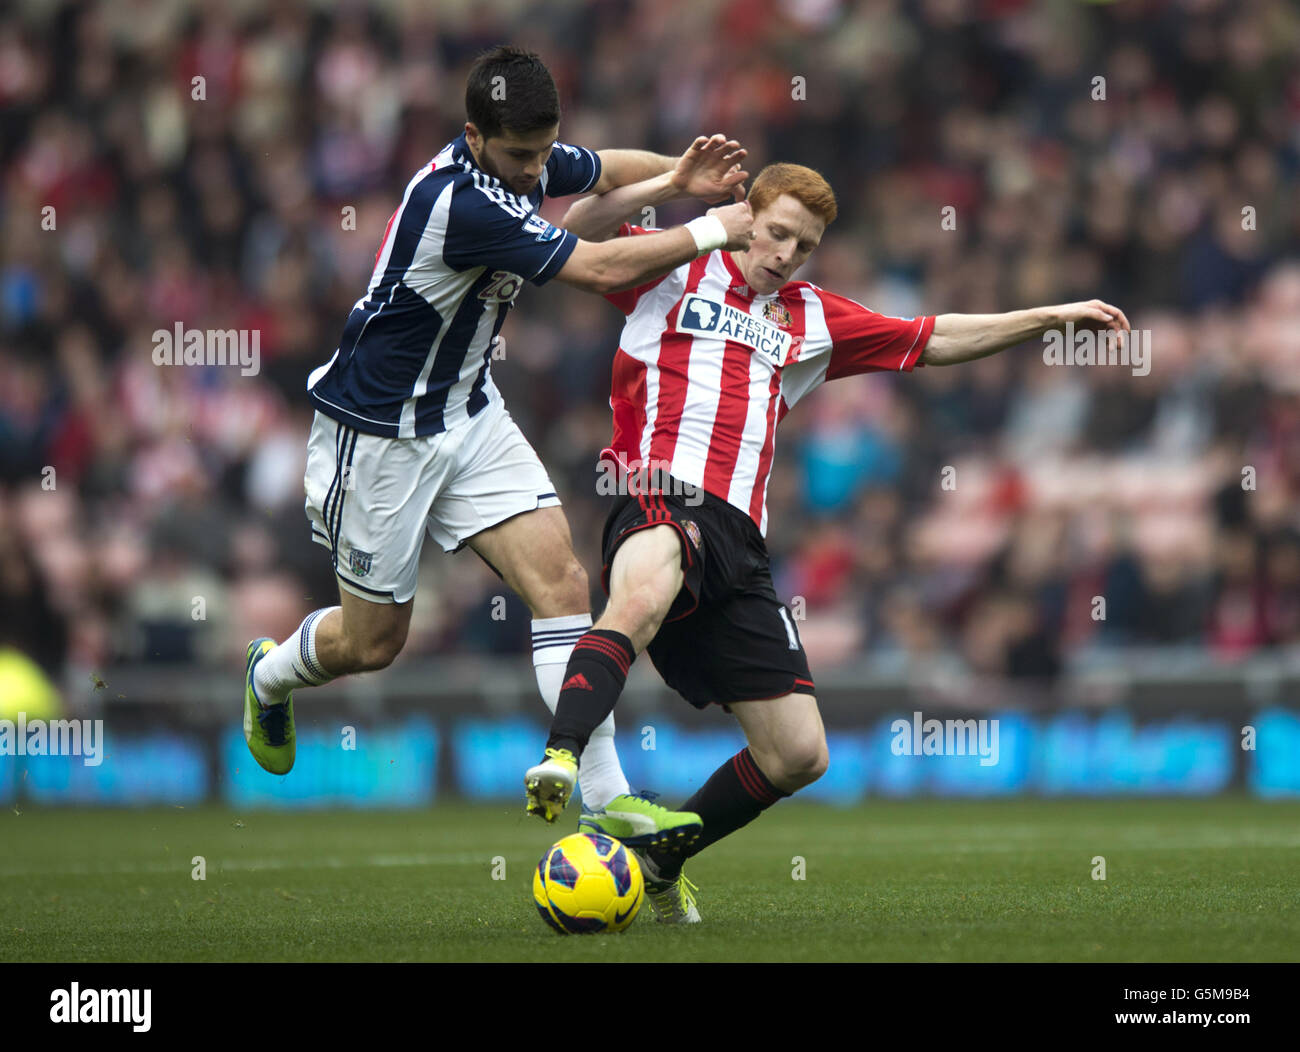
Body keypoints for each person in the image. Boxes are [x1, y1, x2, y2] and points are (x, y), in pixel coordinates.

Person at [525, 161, 1130, 920]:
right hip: (656, 490)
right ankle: (562, 759)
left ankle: (658, 858)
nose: (784, 253)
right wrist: (673, 186)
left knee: (799, 754)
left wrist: (1045, 318)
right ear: (748, 213)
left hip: (740, 540)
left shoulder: (813, 316)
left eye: (802, 245)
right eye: (776, 231)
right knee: (642, 589)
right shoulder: (674, 264)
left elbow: (932, 339)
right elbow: (562, 242)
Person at [241, 44, 756, 853]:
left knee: (562, 585)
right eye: (520, 156)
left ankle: (608, 801)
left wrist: (677, 172)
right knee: (374, 643)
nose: (535, 170)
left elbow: (597, 170)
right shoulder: (460, 201)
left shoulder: (522, 160)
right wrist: (708, 227)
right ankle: (269, 674)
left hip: (469, 413)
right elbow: (597, 265)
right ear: (473, 136)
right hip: (380, 437)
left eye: (544, 152)